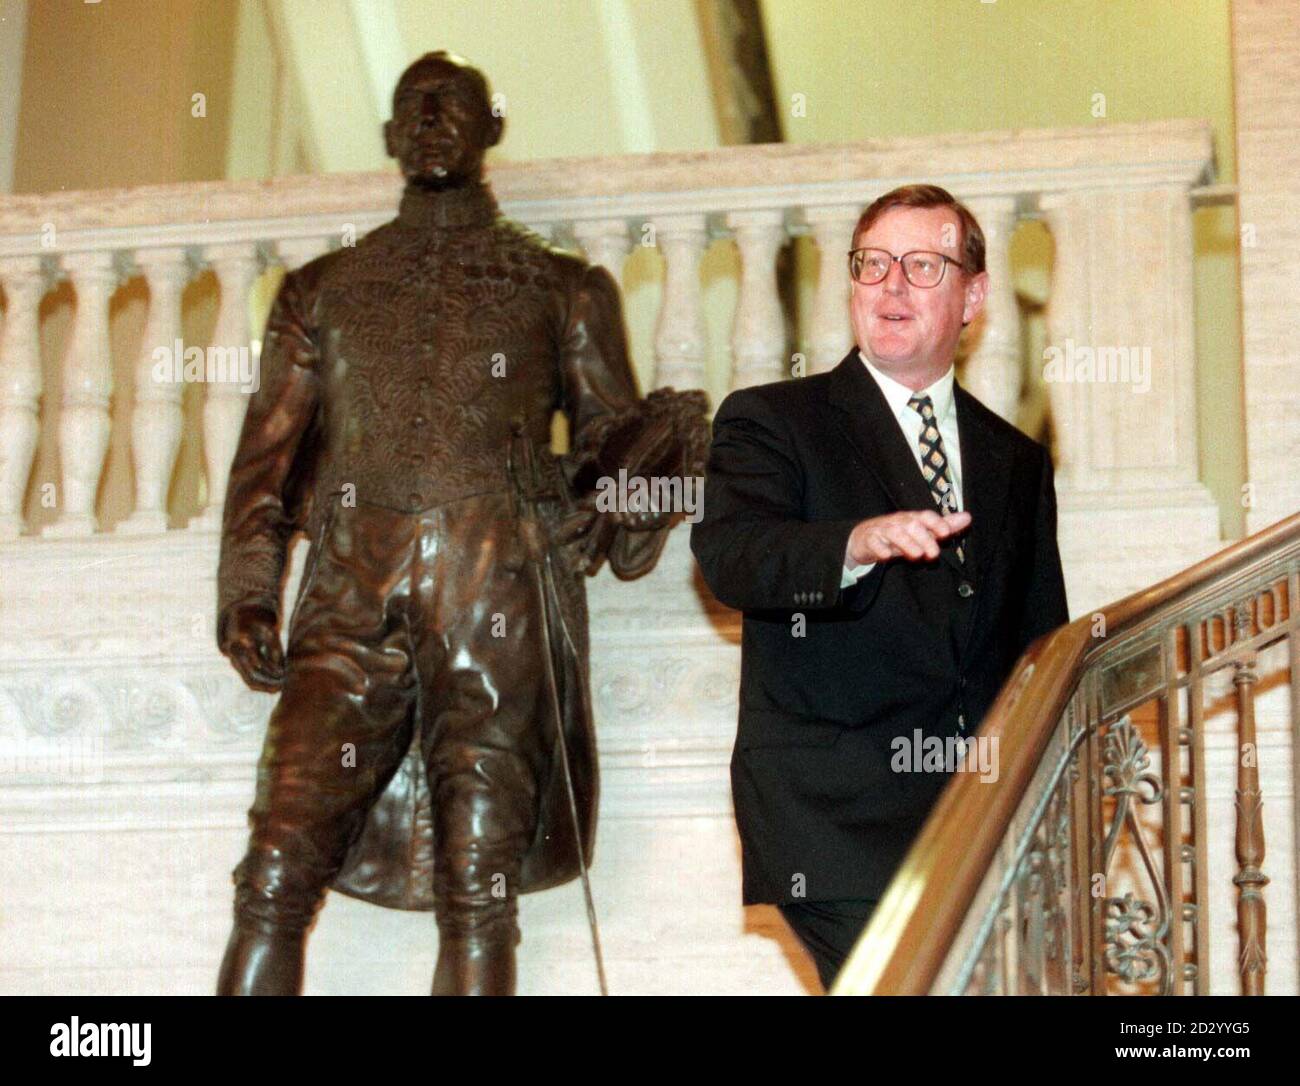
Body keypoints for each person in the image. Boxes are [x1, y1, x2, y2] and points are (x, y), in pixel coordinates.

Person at [214, 51, 705, 996]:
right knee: (276, 864)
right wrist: (247, 589)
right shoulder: (321, 289)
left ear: (492, 129)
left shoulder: (565, 287)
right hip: (350, 590)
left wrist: (645, 466)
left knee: (480, 886)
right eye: (414, 107)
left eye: (457, 105)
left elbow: (617, 452)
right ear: (392, 137)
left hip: (499, 593)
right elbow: (265, 463)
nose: (434, 118)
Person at [690, 184, 1069, 992]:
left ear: (973, 297)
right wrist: (855, 543)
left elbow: (1037, 640)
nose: (891, 286)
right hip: (836, 814)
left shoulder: (1015, 458)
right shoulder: (774, 420)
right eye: (873, 265)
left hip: (978, 816)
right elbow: (732, 556)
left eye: (923, 266)